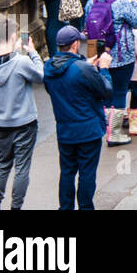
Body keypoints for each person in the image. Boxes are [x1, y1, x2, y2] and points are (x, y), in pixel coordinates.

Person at [42, 26, 112, 210]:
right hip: (88, 130)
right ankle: (86, 207)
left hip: (65, 130)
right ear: (74, 45)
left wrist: (86, 66)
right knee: (87, 173)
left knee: (67, 172)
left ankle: (65, 207)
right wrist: (103, 70)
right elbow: (106, 91)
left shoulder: (48, 69)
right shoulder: (83, 69)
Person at [0, 18, 42, 210]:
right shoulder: (21, 62)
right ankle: (16, 206)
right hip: (24, 122)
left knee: (2, 163)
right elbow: (41, 76)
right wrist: (33, 53)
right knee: (22, 168)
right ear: (15, 36)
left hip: (1, 122)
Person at [84, 0, 137, 143]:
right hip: (121, 56)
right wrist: (130, 0)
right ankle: (115, 134)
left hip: (98, 54)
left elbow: (86, 24)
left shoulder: (92, 1)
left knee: (104, 92)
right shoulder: (122, 3)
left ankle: (106, 128)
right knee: (120, 93)